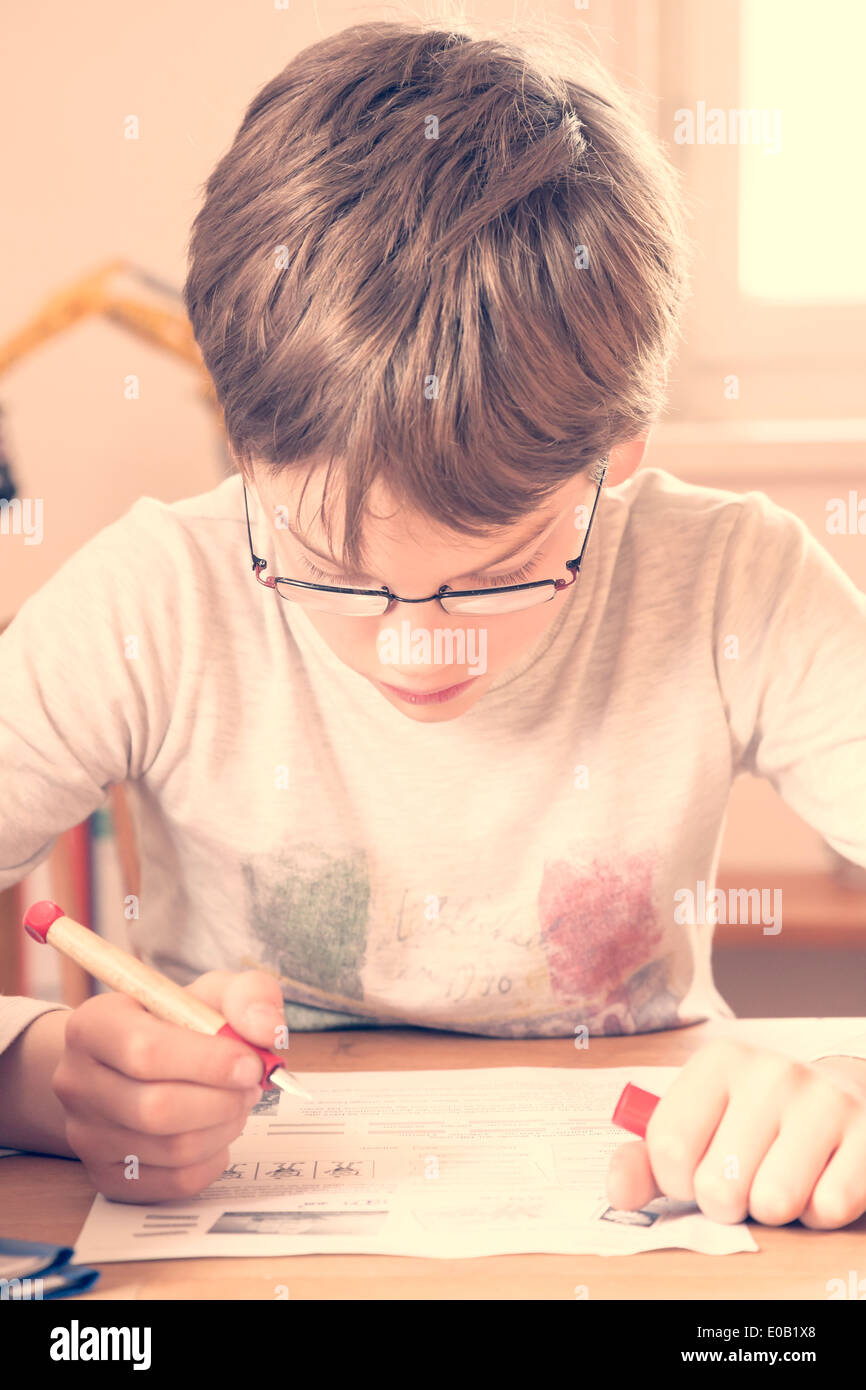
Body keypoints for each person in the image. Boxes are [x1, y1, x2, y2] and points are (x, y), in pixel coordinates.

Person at [1, 20, 864, 1226]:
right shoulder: (153, 598)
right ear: (242, 445)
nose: (414, 648)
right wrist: (38, 1076)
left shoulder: (731, 581)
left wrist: (848, 1084)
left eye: (495, 573)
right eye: (324, 567)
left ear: (617, 452)